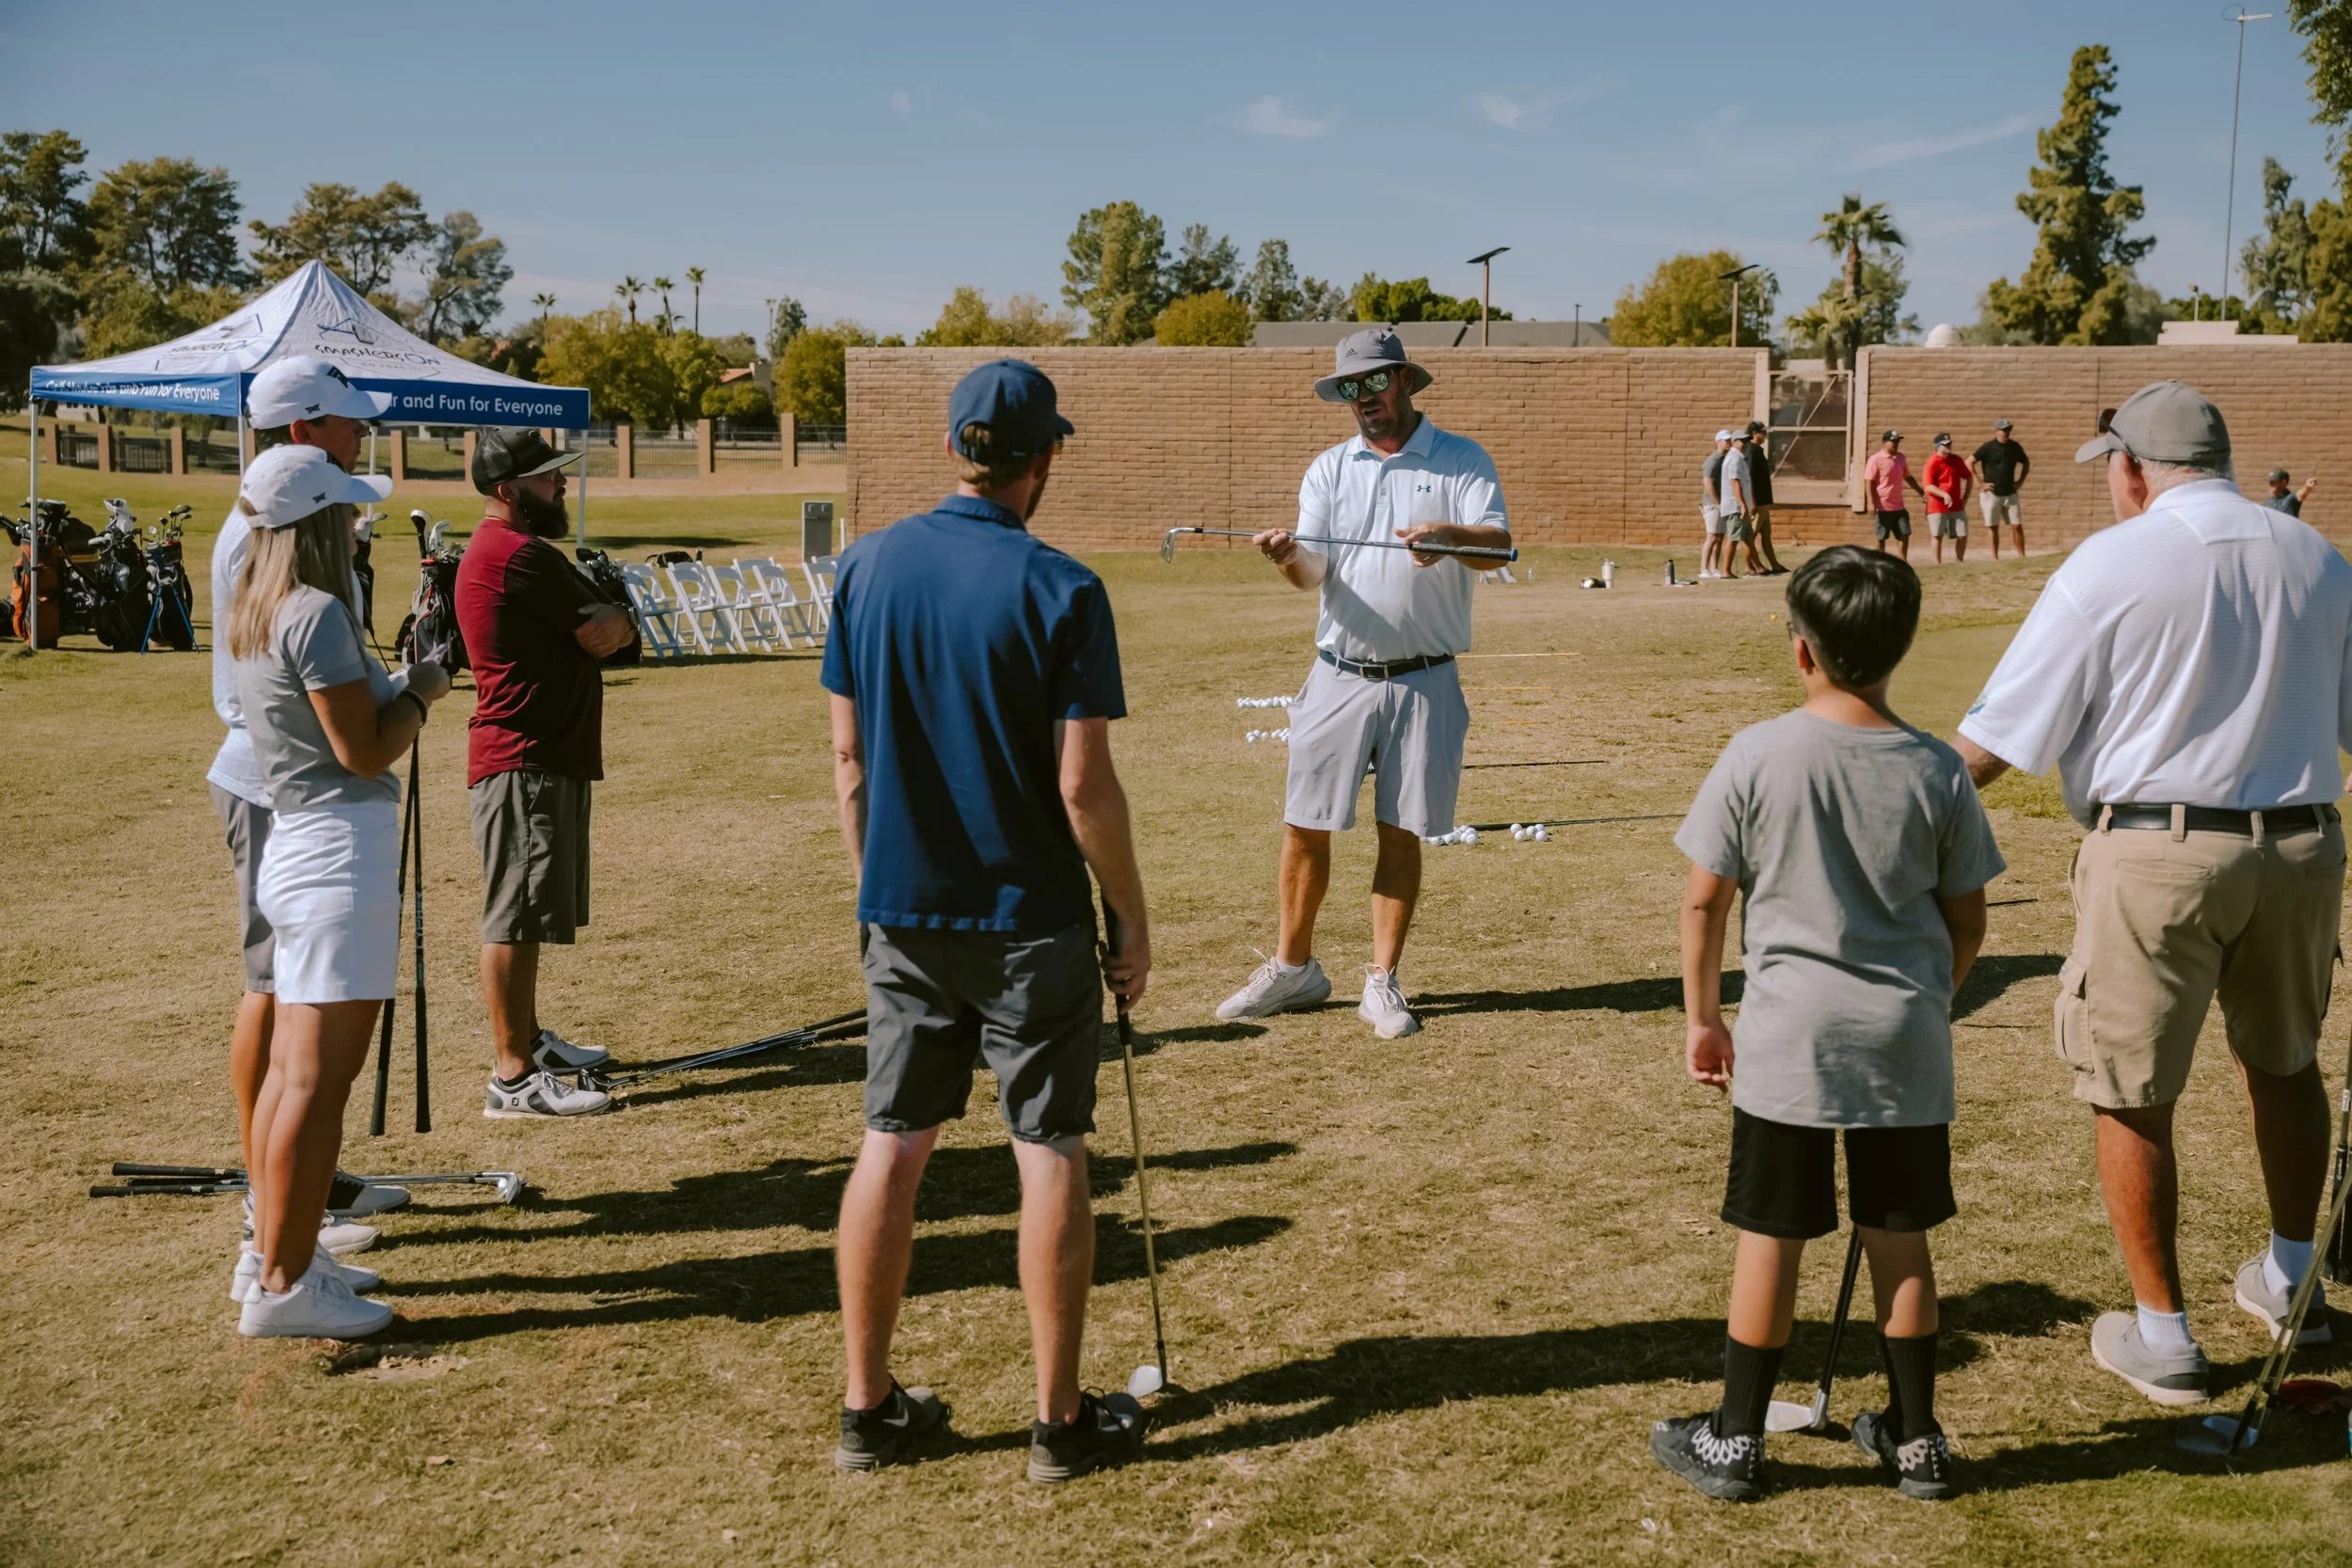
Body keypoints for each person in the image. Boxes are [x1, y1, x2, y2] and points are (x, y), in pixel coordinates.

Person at [1957, 380, 2350, 1406]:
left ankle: (2165, 1333)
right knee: (2287, 1061)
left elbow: (1996, 740)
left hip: (2158, 850)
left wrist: (1889, 803)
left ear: (2131, 468)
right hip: (2302, 844)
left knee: (2130, 1085)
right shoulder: (2315, 556)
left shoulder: (2111, 562)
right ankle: (2291, 1277)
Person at [822, 359, 1152, 1482]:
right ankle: (1058, 1421)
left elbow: (848, 756)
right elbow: (1082, 789)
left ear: (955, 448)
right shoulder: (1063, 586)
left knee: (893, 1143)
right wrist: (1132, 915)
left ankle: (868, 1405)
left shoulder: (863, 566)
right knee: (1049, 1148)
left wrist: (879, 889)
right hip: (1031, 917)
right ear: (1040, 457)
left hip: (903, 912)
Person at [1654, 545, 2002, 1503]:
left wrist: (1701, 1017)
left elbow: (1701, 904)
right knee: (1900, 1235)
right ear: (1899, 648)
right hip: (1902, 1038)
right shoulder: (1938, 767)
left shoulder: (1757, 753)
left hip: (1787, 1038)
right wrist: (1934, 992)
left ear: (1800, 649)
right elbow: (1967, 915)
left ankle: (1734, 1437)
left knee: (1772, 1233)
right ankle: (1918, 1434)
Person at [1215, 327, 1511, 1038]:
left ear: (1404, 380)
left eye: (1373, 383)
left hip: (1426, 678)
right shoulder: (1328, 470)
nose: (1362, 399)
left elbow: (1499, 544)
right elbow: (1313, 572)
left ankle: (1381, 979)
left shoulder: (1462, 460)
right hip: (1337, 673)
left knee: (1401, 831)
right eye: (1348, 388)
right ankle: (1294, 968)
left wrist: (1450, 536)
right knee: (1304, 826)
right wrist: (1288, 558)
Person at [227, 445, 454, 1337]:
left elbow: (332, 728)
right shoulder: (317, 611)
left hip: (301, 845)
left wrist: (392, 686)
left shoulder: (260, 604)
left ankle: (275, 1255)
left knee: (294, 1071)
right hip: (336, 854)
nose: (360, 522)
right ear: (321, 520)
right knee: (320, 1081)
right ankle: (284, 1283)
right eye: (350, 511)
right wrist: (426, 688)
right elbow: (363, 750)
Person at [211, 356, 408, 1286]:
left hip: (299, 796)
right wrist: (418, 694)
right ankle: (280, 1237)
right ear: (304, 430)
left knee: (301, 1039)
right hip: (304, 802)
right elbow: (356, 744)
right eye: (348, 424)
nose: (360, 435)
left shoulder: (277, 566)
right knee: (300, 1041)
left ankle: (284, 1228)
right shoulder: (294, 581)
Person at [453, 429, 638, 1119]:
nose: (559, 486)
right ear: (509, 490)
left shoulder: (509, 550)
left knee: (526, 913)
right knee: (513, 916)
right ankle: (513, 1077)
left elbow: (618, 629)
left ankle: (529, 1042)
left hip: (538, 757)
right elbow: (605, 622)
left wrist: (618, 622)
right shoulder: (517, 554)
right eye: (545, 478)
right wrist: (618, 620)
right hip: (522, 760)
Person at [1971, 420, 2029, 558]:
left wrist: (2020, 480)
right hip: (1992, 494)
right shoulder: (1988, 447)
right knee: (1993, 526)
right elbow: (1970, 461)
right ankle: (1995, 558)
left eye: (2008, 430)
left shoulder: (2014, 447)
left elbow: (2026, 462)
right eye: (2003, 430)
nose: (2006, 433)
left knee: (2016, 525)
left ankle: (2022, 556)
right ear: (1997, 431)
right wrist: (1980, 483)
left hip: (2010, 492)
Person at [1863, 430, 1924, 561]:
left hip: (1898, 506)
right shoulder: (1875, 459)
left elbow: (1908, 477)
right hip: (1882, 506)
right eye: (1893, 441)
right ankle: (1879, 562)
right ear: (1885, 442)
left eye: (1897, 441)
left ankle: (1902, 562)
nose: (1896, 444)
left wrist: (1921, 492)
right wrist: (1870, 502)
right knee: (1881, 536)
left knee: (1904, 533)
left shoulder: (1901, 458)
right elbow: (1868, 481)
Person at [1744, 420, 1788, 574]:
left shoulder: (1758, 450)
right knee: (1750, 536)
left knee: (1766, 535)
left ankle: (1775, 565)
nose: (1765, 435)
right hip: (1757, 503)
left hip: (1764, 503)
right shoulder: (1751, 451)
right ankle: (1750, 566)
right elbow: (1749, 478)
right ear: (1754, 434)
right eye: (1762, 432)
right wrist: (1752, 502)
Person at [1921, 433, 1973, 564]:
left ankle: (1959, 561)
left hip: (1956, 504)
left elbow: (1968, 476)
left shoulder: (1956, 460)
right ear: (1937, 447)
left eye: (1949, 443)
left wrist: (1965, 497)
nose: (1948, 446)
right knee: (1937, 535)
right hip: (1936, 505)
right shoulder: (1931, 462)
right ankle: (1937, 563)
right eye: (1945, 444)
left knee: (1962, 533)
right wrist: (1944, 494)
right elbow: (1928, 486)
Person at [1718, 430, 1763, 578]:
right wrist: (1742, 505)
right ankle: (1726, 571)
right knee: (1733, 538)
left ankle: (1759, 568)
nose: (1746, 444)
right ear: (1735, 441)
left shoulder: (1740, 458)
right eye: (1742, 441)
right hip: (1735, 507)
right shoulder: (1734, 459)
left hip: (1742, 506)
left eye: (1747, 441)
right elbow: (1734, 482)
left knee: (1749, 539)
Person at [1700, 430, 1730, 579]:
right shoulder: (1713, 460)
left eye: (1730, 440)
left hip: (1722, 504)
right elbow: (1708, 482)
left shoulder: (1724, 459)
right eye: (1725, 440)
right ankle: (1704, 569)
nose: (1728, 443)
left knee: (1719, 537)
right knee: (1711, 537)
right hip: (1712, 505)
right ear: (1718, 441)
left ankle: (1714, 568)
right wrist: (1717, 502)